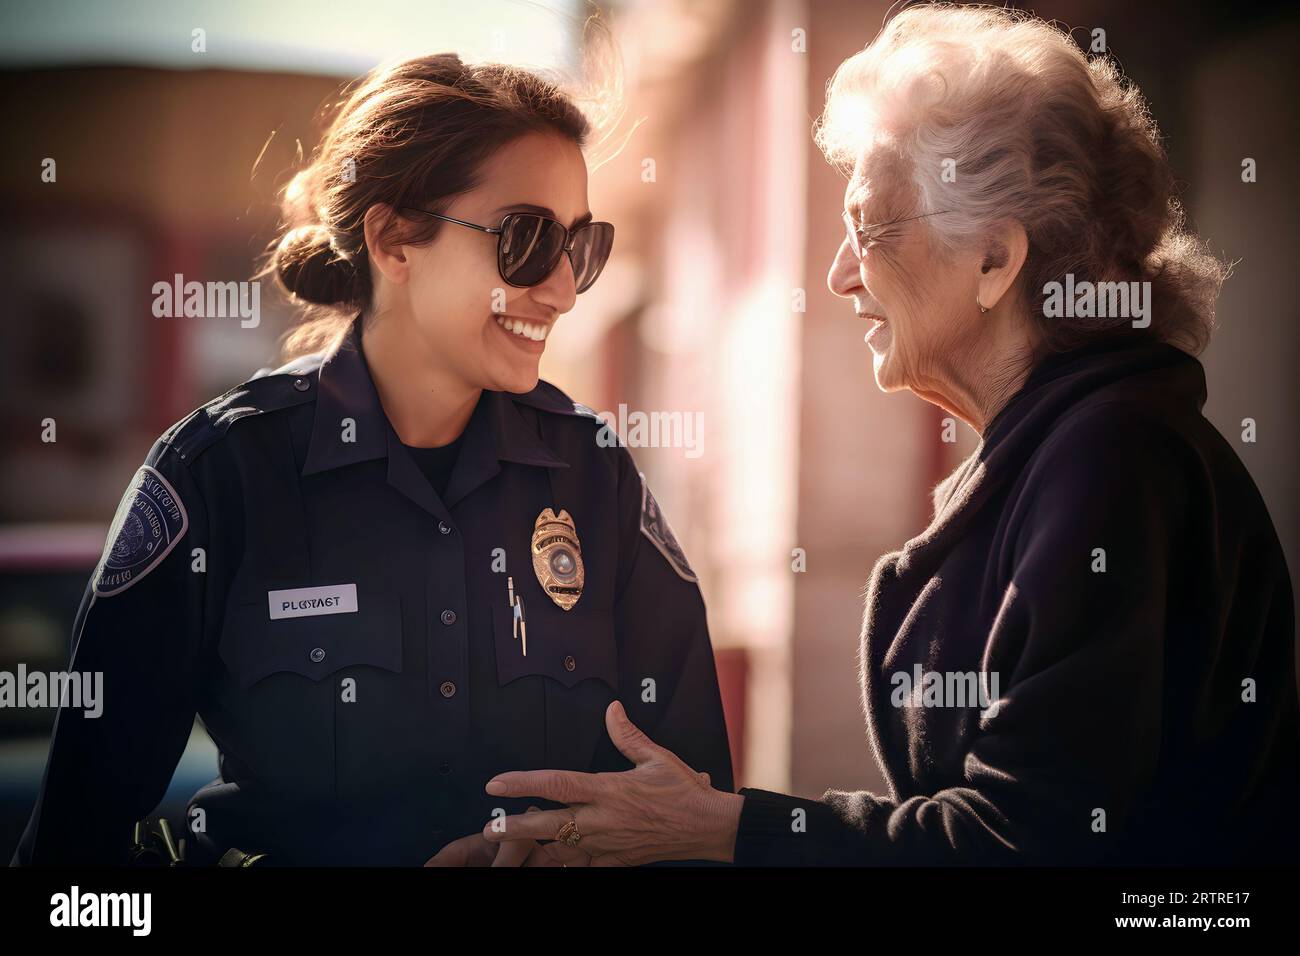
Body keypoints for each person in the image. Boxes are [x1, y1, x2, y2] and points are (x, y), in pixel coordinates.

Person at [453, 5, 1299, 866]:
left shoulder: (1113, 462)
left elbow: (1026, 842)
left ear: (994, 263)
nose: (839, 273)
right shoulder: (1066, 452)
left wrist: (721, 827)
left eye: (870, 226)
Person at [11, 53, 732, 867]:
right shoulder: (218, 478)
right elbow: (72, 866)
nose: (563, 290)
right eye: (527, 240)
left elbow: (696, 819)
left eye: (579, 246)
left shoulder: (596, 480)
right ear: (393, 239)